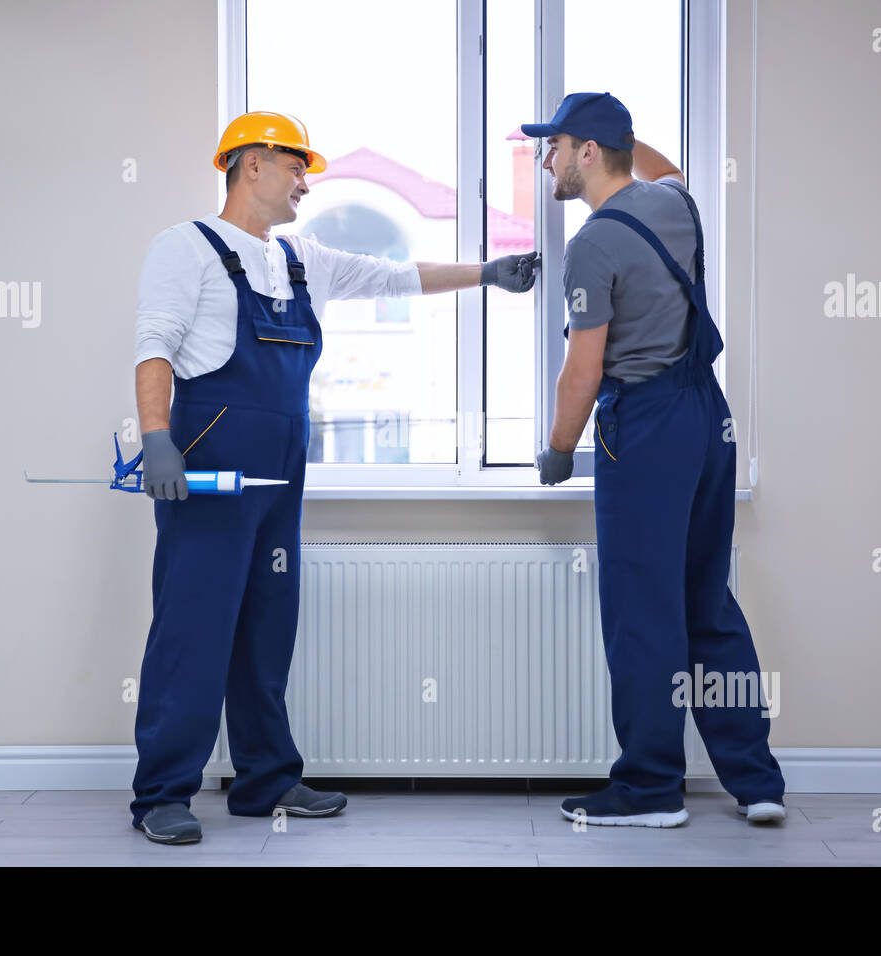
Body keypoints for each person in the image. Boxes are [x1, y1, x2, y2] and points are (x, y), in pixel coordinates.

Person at [129, 110, 538, 844]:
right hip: (207, 472)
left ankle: (265, 780)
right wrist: (157, 440)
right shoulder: (182, 248)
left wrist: (487, 274)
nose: (304, 184)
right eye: (295, 167)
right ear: (250, 163)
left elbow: (395, 276)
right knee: (193, 630)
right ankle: (162, 793)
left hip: (281, 473)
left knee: (266, 628)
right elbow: (154, 345)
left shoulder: (298, 259)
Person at [526, 92, 785, 827]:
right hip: (708, 418)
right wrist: (621, 141)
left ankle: (648, 791)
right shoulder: (676, 205)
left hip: (644, 425)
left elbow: (583, 369)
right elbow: (664, 169)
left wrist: (556, 450)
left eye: (557, 145)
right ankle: (757, 783)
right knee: (708, 601)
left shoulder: (593, 245)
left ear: (586, 152)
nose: (548, 159)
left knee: (644, 612)